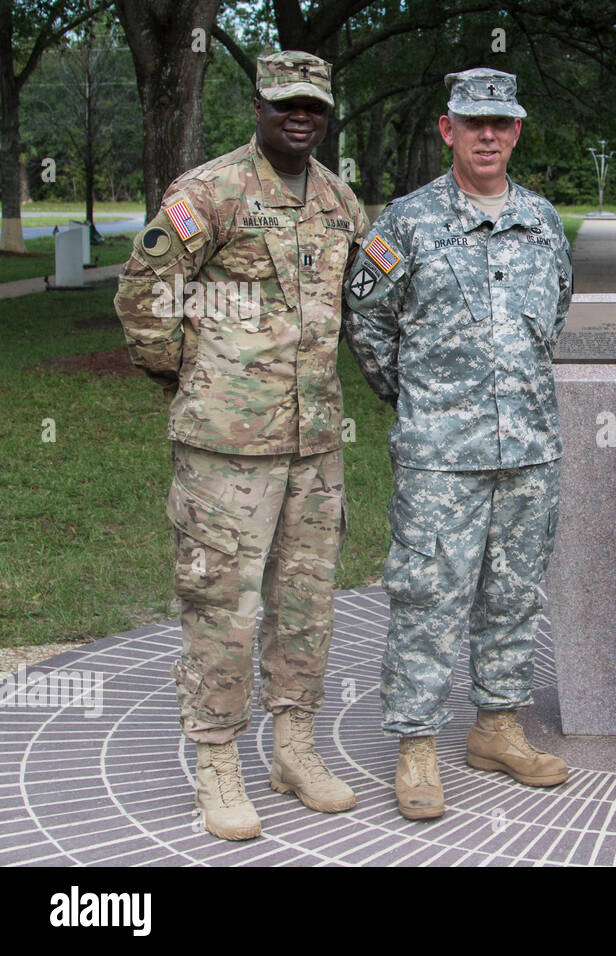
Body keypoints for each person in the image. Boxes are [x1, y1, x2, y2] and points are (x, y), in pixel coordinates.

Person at [114, 51, 368, 840]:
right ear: (258, 104)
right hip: (224, 452)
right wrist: (192, 383)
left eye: (314, 107)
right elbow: (144, 296)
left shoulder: (338, 200)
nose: (301, 117)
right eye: (286, 103)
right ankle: (216, 763)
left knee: (305, 607)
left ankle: (292, 745)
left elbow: (369, 291)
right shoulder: (209, 192)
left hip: (313, 447)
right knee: (221, 605)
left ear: (327, 115)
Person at [343, 68, 572, 821]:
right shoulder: (404, 223)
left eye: (501, 124)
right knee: (426, 598)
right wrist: (420, 403)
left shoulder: (542, 221)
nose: (487, 136)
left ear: (516, 131)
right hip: (441, 456)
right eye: (473, 123)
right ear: (448, 130)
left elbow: (555, 312)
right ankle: (415, 745)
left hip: (529, 451)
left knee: (511, 596)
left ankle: (497, 726)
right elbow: (368, 325)